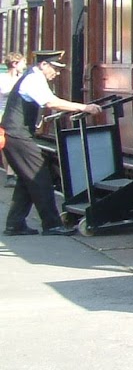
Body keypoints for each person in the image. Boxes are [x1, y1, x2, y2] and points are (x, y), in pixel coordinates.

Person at [3, 51, 102, 235]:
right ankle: (52, 224)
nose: (56, 73)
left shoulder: (33, 77)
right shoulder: (33, 79)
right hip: (17, 134)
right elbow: (50, 102)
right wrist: (83, 107)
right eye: (54, 68)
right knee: (41, 177)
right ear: (43, 65)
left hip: (15, 134)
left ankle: (14, 224)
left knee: (28, 180)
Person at [0, 52, 24, 185]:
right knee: (4, 144)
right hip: (2, 113)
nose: (24, 66)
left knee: (11, 143)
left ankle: (12, 174)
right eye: (22, 63)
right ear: (15, 64)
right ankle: (10, 174)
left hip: (16, 115)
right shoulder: (2, 79)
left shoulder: (22, 79)